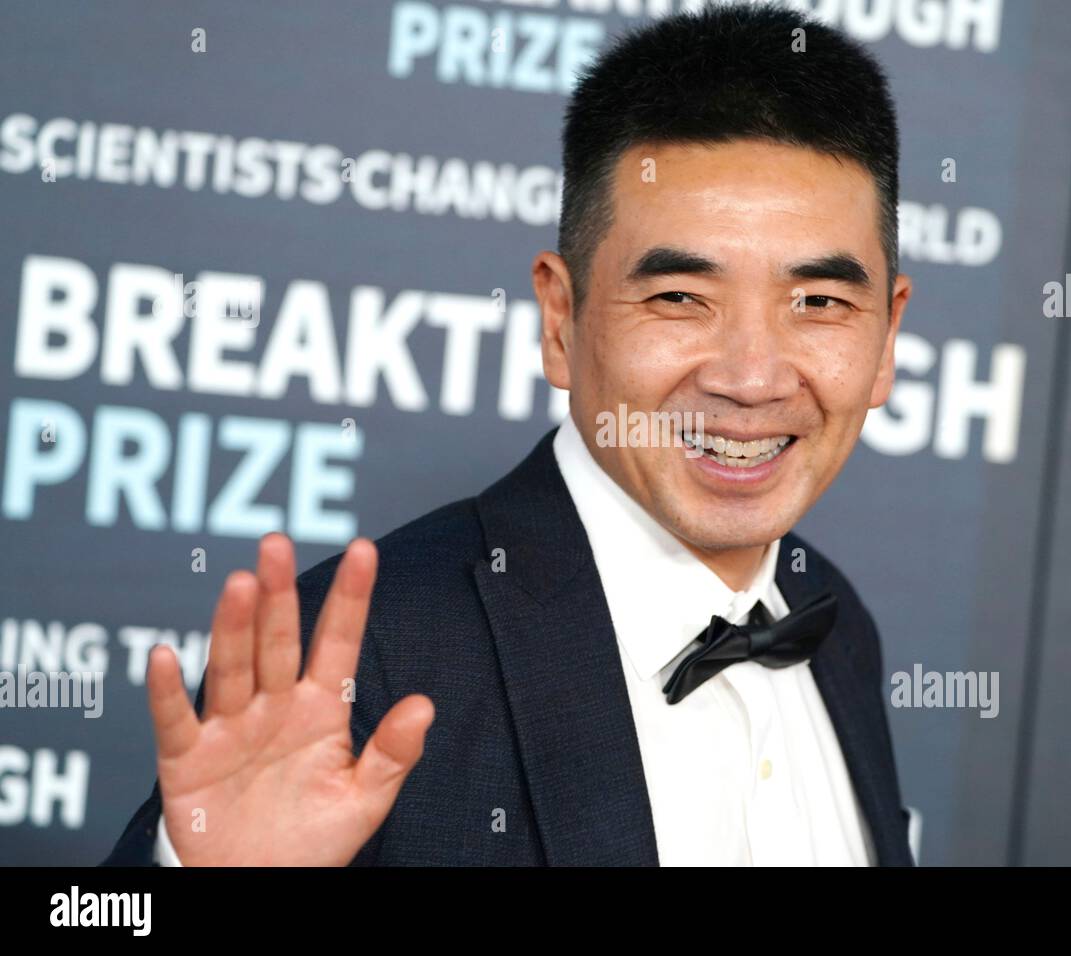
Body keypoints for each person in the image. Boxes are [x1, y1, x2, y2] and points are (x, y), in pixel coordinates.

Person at [104, 1, 915, 867]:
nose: (752, 378)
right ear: (561, 320)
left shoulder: (837, 624)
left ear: (886, 337)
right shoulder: (366, 656)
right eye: (680, 297)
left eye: (820, 302)